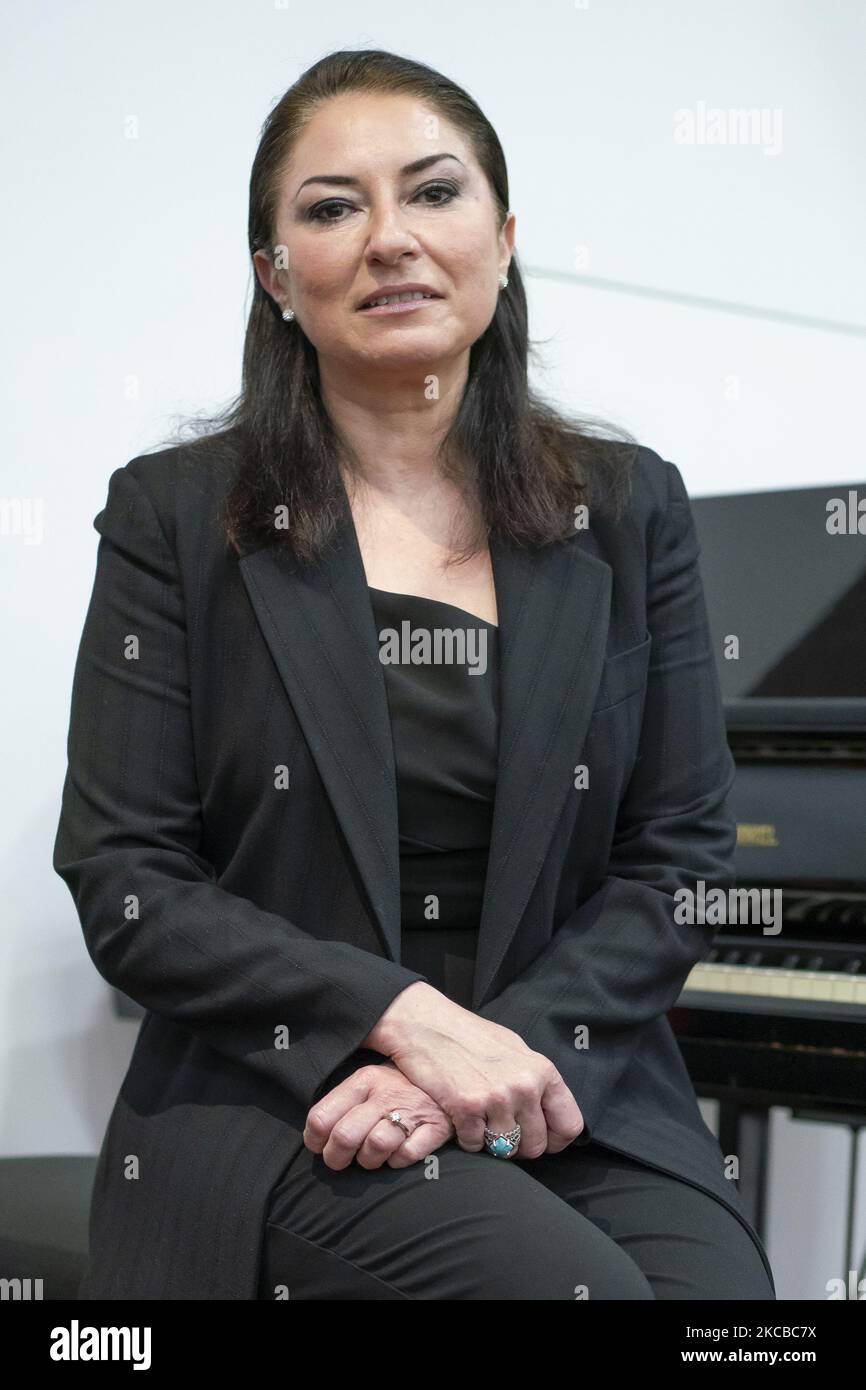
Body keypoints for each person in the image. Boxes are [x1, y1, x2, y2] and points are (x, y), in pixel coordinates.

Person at [54, 47, 776, 1300]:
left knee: (727, 1315)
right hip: (283, 1092)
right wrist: (398, 1020)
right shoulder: (177, 516)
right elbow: (128, 877)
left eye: (433, 194)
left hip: (568, 1079)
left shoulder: (624, 505)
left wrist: (493, 1057)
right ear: (275, 277)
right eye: (332, 208)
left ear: (502, 238)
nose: (390, 237)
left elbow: (680, 856)